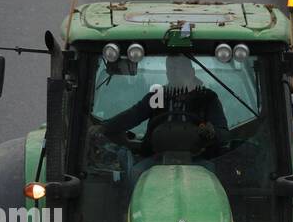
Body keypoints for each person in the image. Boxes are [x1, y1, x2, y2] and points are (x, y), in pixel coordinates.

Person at [98, 53, 229, 157]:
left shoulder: (207, 98)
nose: (175, 72)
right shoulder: (158, 96)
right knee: (136, 174)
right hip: (156, 160)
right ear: (167, 73)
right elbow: (133, 115)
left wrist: (212, 132)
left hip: (198, 160)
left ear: (192, 71)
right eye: (171, 68)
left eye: (179, 68)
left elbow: (223, 134)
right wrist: (104, 127)